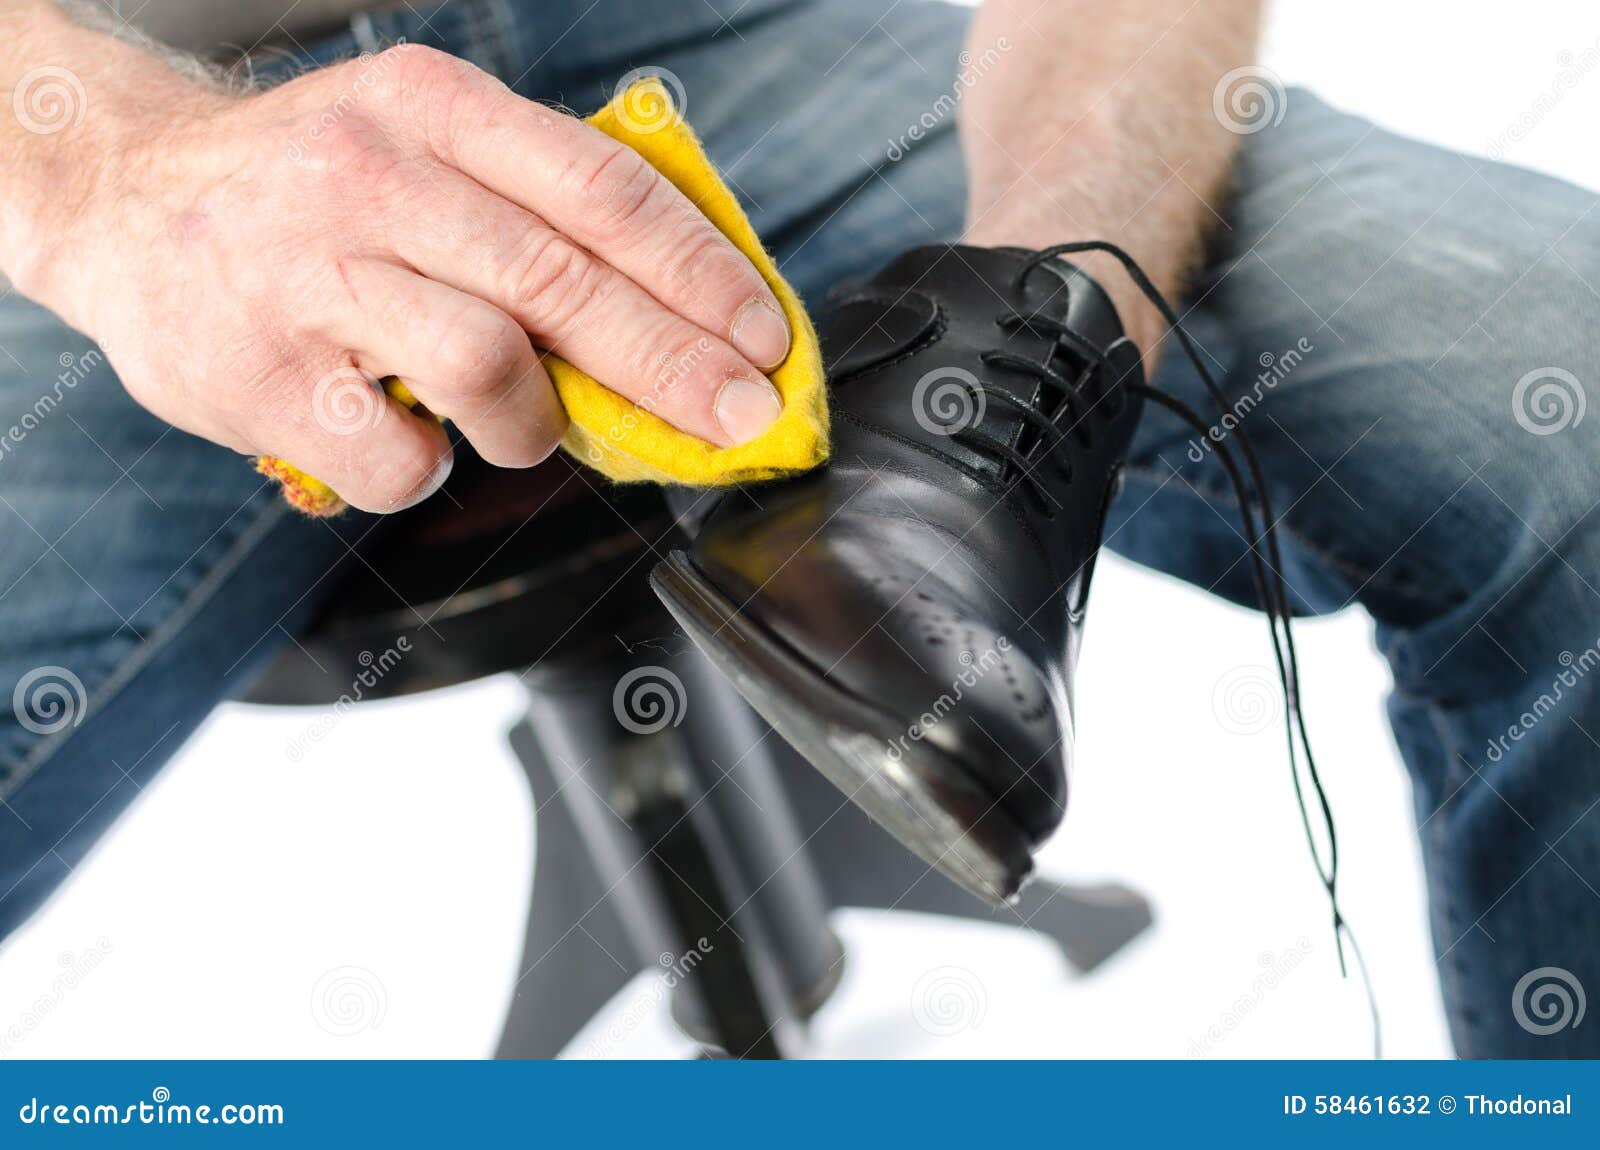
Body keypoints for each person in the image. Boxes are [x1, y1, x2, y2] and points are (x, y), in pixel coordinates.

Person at [1, 0, 1595, 1058]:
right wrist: (105, 180)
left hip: (722, 28)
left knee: (1566, 399)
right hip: (87, 110)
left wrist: (1033, 324)